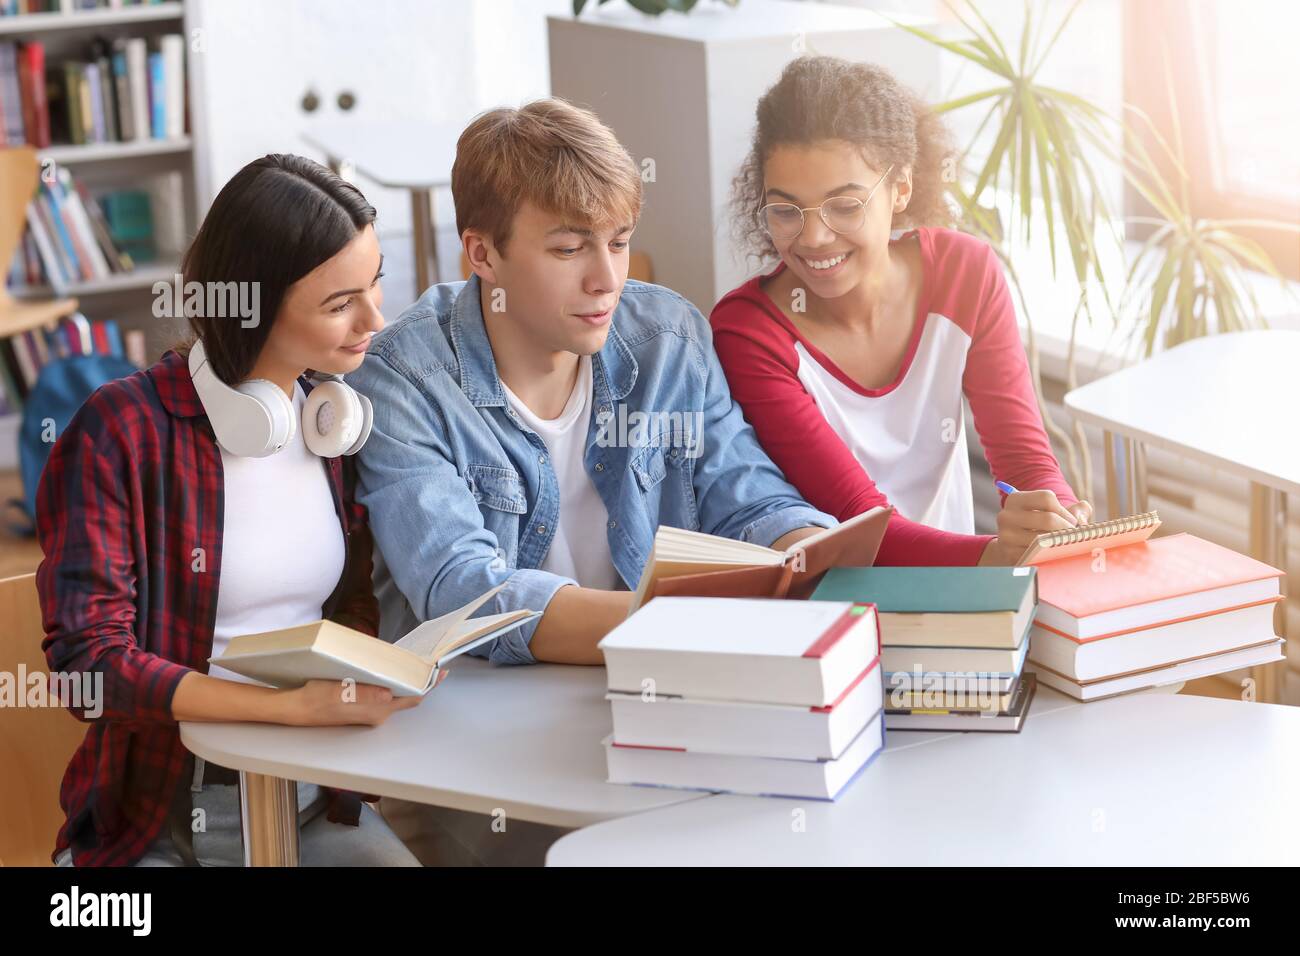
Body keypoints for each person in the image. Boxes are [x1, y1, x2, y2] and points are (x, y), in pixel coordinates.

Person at [38, 154, 420, 866]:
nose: (375, 319)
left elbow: (351, 607)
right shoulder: (122, 429)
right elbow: (89, 668)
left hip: (313, 796)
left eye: (374, 286)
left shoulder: (329, 422)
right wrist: (287, 708)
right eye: (339, 304)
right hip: (166, 812)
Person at [711, 56, 1091, 567]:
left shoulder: (965, 275)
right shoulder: (748, 334)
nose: (814, 237)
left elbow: (1026, 463)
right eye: (786, 210)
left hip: (967, 597)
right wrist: (999, 557)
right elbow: (860, 521)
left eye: (845, 206)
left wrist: (1056, 521)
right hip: (837, 609)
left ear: (901, 187)